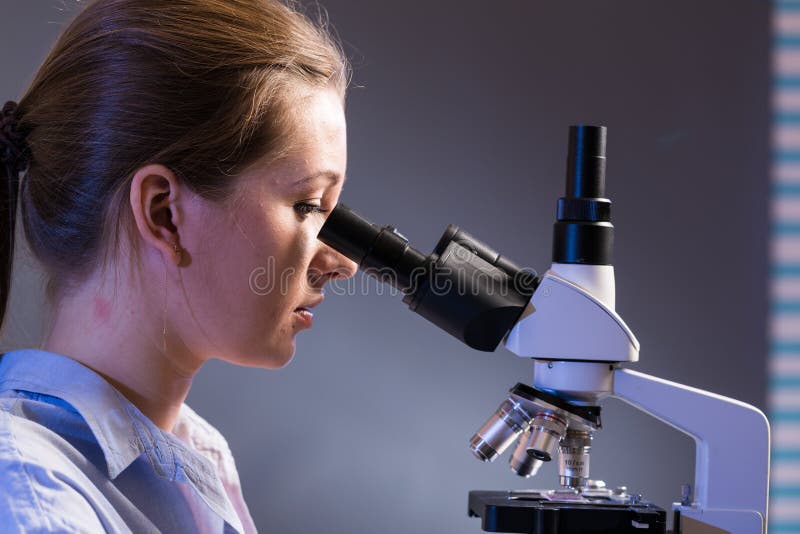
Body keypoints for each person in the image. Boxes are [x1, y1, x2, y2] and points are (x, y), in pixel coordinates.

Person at [0, 0, 357, 531]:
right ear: (164, 213)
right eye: (307, 206)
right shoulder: (34, 495)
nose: (344, 262)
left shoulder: (198, 456)